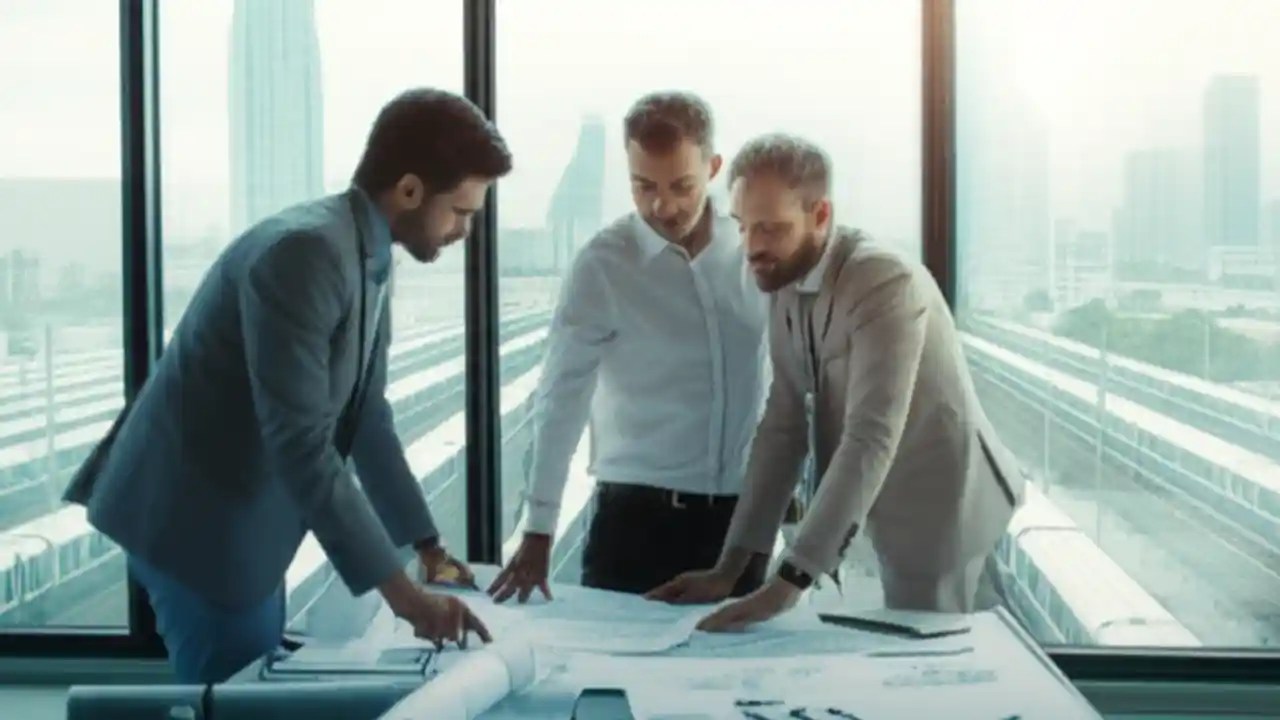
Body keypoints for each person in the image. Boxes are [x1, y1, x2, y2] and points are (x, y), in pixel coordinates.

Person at [63, 88, 513, 683]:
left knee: (258, 689)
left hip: (242, 526)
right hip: (195, 529)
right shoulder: (307, 255)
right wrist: (409, 601)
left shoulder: (365, 254)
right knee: (239, 698)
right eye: (461, 212)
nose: (466, 230)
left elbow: (367, 419)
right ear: (408, 190)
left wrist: (425, 545)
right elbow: (302, 443)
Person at [648, 134, 1025, 630]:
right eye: (743, 228)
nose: (752, 248)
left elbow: (870, 435)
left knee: (924, 670)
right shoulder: (782, 273)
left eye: (771, 228)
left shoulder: (884, 282)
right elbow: (781, 426)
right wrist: (731, 567)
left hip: (939, 505)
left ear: (821, 215)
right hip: (867, 505)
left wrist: (786, 586)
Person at [487, 91, 770, 602]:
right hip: (635, 525)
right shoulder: (603, 264)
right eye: (643, 186)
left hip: (743, 527)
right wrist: (539, 527)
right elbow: (561, 398)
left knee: (737, 679)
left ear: (713, 168)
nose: (662, 206)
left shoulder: (754, 251)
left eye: (681, 185)